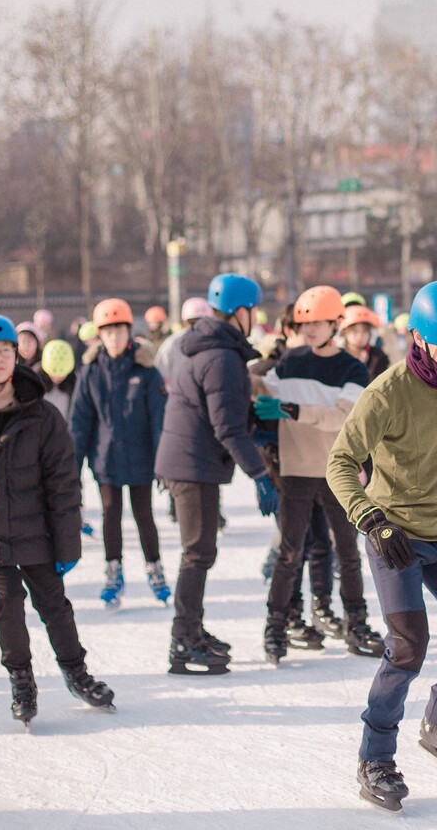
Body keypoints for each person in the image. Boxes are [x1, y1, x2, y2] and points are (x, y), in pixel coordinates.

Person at [328, 279, 437, 812]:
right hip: (394, 536)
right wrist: (371, 519)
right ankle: (375, 756)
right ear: (418, 339)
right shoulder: (386, 393)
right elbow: (338, 464)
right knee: (407, 649)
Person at [0, 314, 114, 725]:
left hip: (37, 531)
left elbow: (64, 484)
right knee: (8, 601)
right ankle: (21, 679)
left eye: (6, 351)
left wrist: (68, 542)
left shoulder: (43, 415)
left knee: (54, 603)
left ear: (17, 355)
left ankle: (76, 672)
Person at [154, 273, 279, 676]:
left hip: (193, 461)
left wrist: (254, 423)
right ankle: (183, 639)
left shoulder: (212, 349)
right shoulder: (222, 356)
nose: (255, 319)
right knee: (197, 552)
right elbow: (225, 427)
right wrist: (260, 474)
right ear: (241, 311)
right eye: (254, 311)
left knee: (201, 551)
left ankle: (192, 628)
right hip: (192, 465)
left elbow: (222, 413)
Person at [252, 284, 383, 665]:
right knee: (289, 552)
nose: (309, 330)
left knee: (348, 552)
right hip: (295, 471)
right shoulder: (290, 362)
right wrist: (239, 371)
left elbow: (343, 416)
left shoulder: (352, 368)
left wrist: (293, 409)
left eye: (318, 323)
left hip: (338, 470)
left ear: (336, 323)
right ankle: (275, 626)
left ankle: (356, 624)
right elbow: (263, 389)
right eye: (303, 323)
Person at [71, 298, 169, 609]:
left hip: (141, 459)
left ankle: (155, 569)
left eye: (120, 331)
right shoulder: (90, 372)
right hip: (106, 459)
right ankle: (113, 571)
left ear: (130, 333)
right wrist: (74, 468)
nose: (114, 338)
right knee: (110, 514)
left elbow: (159, 420)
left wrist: (163, 462)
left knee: (144, 515)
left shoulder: (147, 371)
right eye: (108, 332)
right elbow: (80, 422)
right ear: (99, 335)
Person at [155, 297, 210, 389]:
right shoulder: (172, 344)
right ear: (184, 322)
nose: (198, 326)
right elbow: (159, 376)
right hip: (180, 399)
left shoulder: (218, 343)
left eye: (203, 322)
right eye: (192, 322)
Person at [340, 305, 390, 380]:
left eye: (365, 331)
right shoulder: (337, 357)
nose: (360, 336)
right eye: (355, 331)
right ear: (344, 333)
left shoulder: (378, 356)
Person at [38, 339, 78, 420]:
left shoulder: (76, 384)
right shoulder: (36, 384)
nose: (57, 377)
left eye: (62, 374)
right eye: (53, 373)